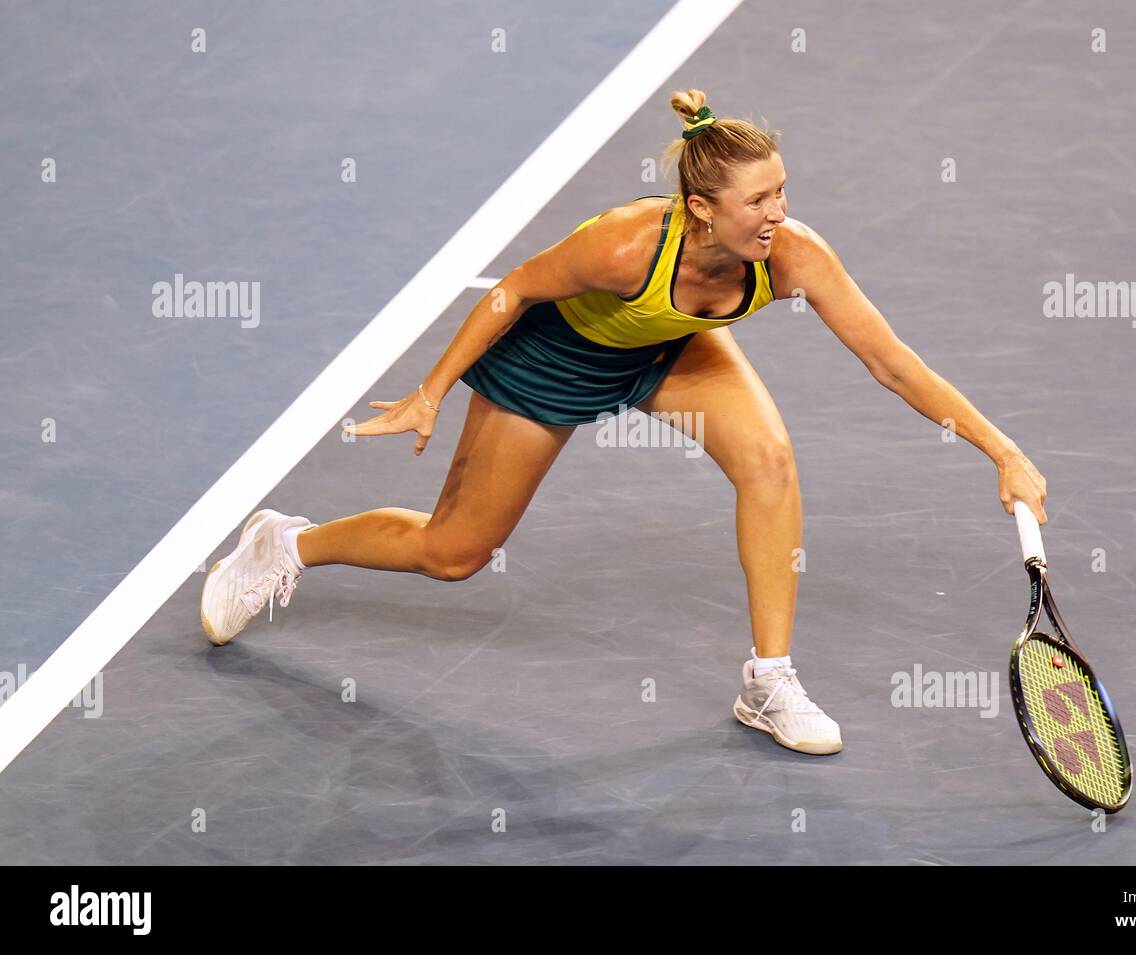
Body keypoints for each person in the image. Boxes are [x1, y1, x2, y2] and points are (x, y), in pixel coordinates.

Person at [200, 89, 1048, 756]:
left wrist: (1001, 450)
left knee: (769, 459)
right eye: (758, 199)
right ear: (701, 207)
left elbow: (890, 360)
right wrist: (432, 389)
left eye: (782, 191)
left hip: (669, 350)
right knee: (453, 552)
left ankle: (769, 681)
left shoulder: (792, 255)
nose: (778, 213)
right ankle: (287, 545)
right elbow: (513, 290)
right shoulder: (622, 245)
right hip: (552, 360)